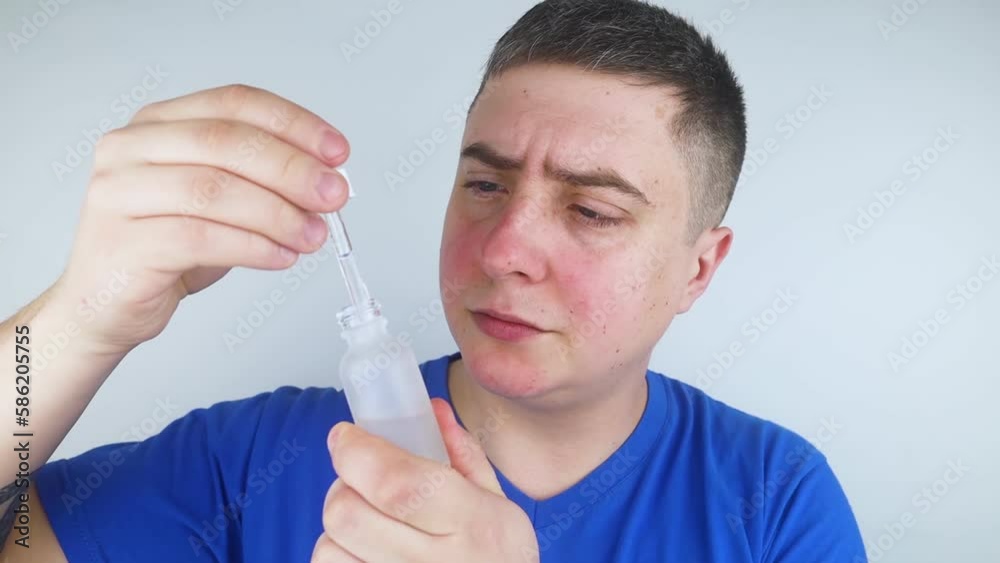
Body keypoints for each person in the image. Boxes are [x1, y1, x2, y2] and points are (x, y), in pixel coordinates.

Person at [0, 0, 867, 561]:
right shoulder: (254, 460)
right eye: (485, 185)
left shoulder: (773, 500)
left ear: (698, 268)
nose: (503, 250)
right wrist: (78, 321)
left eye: (593, 211)